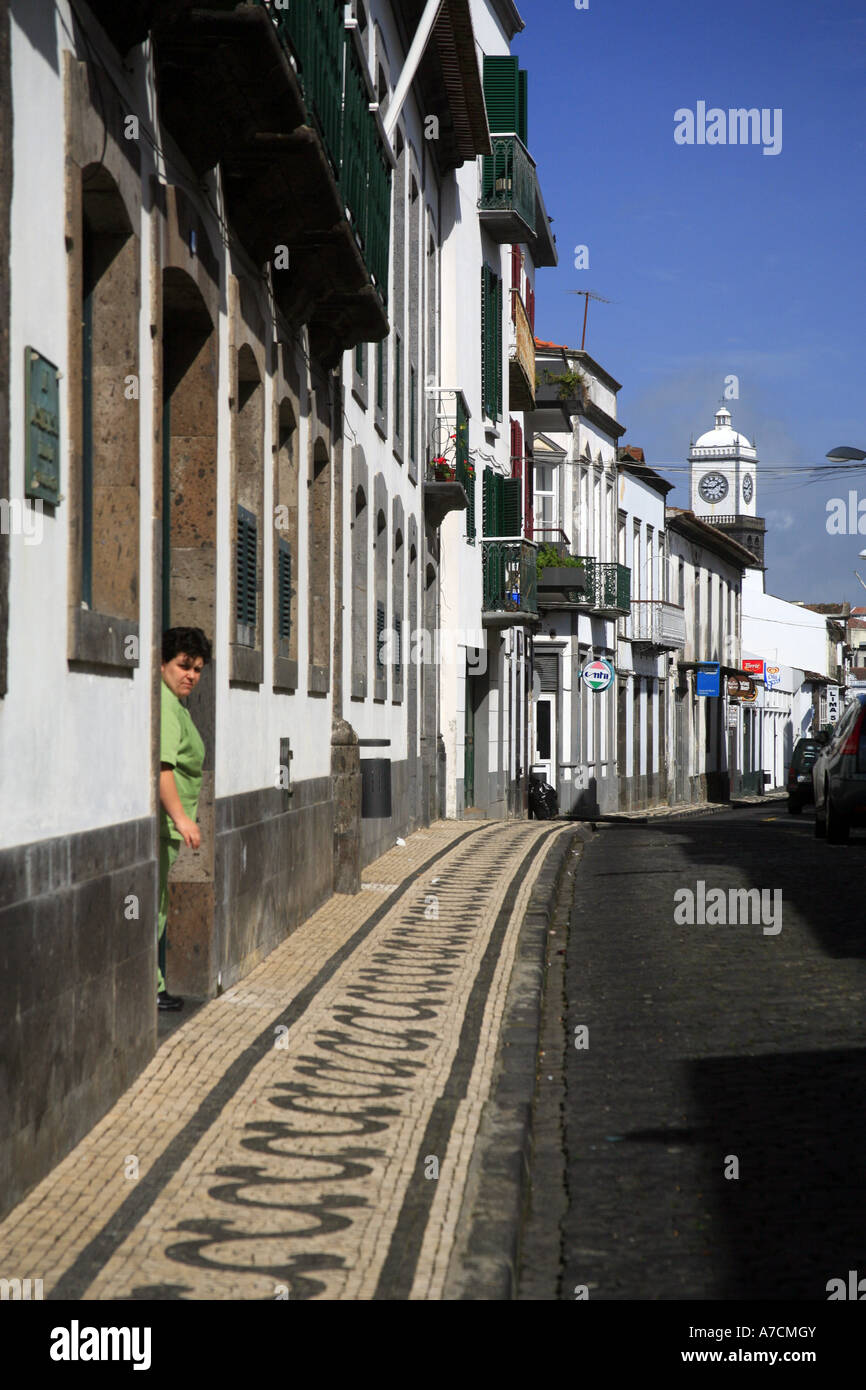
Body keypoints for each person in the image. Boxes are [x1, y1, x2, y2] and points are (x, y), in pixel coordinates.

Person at [158, 626, 211, 1010]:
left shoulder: (176, 704)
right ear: (163, 663)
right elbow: (162, 769)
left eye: (197, 669)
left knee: (158, 905)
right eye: (183, 666)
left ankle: (155, 984)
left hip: (168, 829)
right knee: (155, 908)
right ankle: (152, 987)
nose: (190, 675)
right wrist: (182, 818)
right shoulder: (165, 706)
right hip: (163, 827)